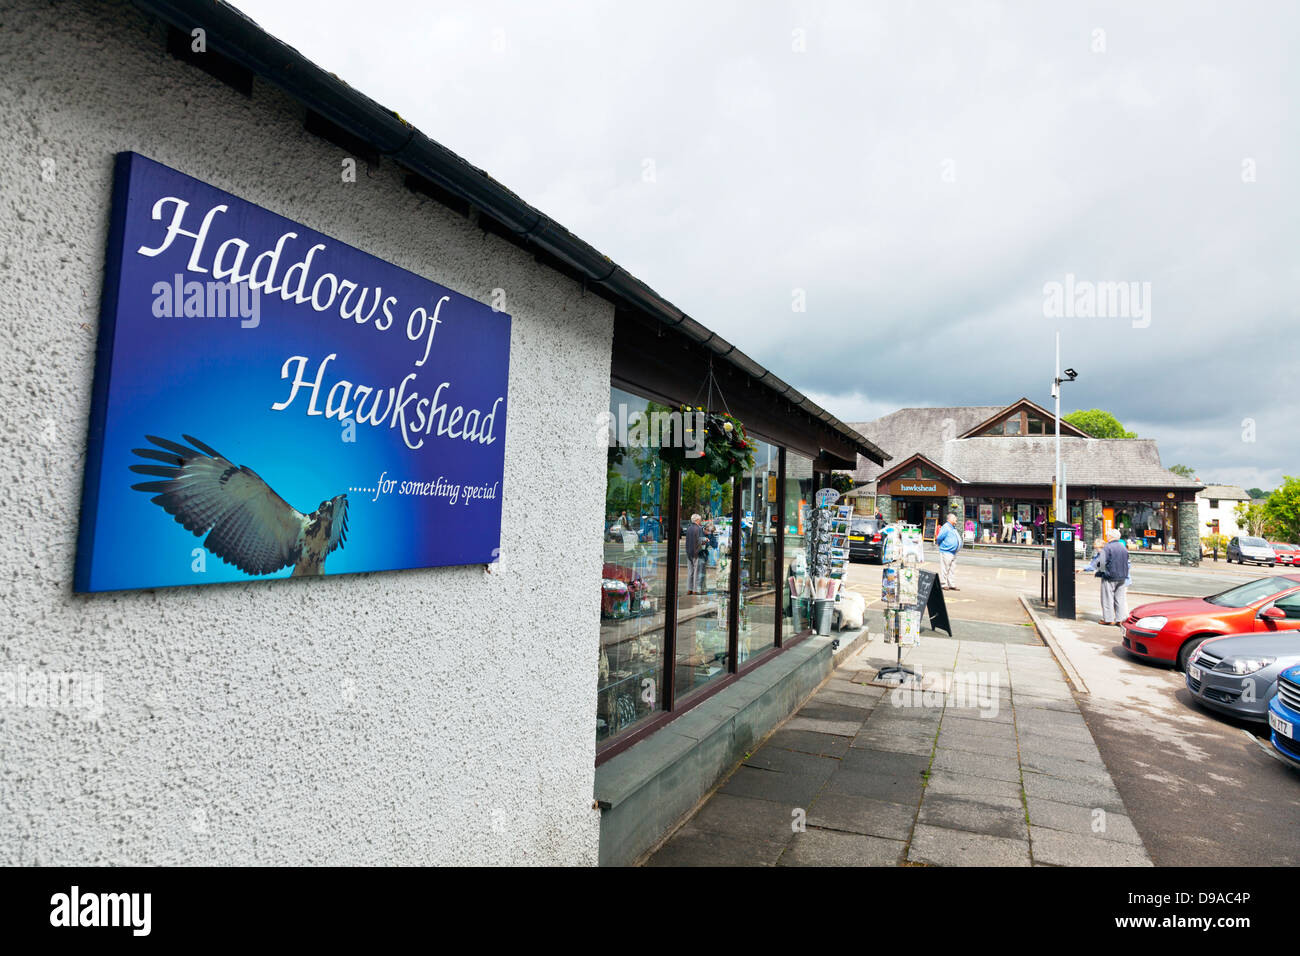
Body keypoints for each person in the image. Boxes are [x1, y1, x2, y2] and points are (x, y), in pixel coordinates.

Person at [1098, 529, 1131, 626]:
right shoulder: (1123, 548)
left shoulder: (1107, 548)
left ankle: (1108, 619)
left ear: (1111, 537)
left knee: (1107, 598)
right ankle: (1120, 619)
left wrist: (1101, 573)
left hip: (1110, 576)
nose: (1106, 537)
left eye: (1107, 536)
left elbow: (1102, 563)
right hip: (1122, 576)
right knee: (1120, 598)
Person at [936, 513, 962, 590]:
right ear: (949, 519)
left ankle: (951, 584)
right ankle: (944, 584)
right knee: (945, 569)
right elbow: (939, 537)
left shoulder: (953, 527)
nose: (956, 519)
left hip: (953, 552)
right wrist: (941, 544)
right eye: (954, 518)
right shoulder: (946, 527)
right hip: (946, 551)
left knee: (952, 569)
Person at [684, 514, 705, 595]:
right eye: (699, 520)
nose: (700, 521)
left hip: (689, 552)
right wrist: (706, 540)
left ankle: (689, 589)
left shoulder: (689, 528)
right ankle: (694, 590)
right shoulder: (699, 529)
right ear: (697, 520)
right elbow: (700, 541)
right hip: (696, 553)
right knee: (696, 571)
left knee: (690, 572)